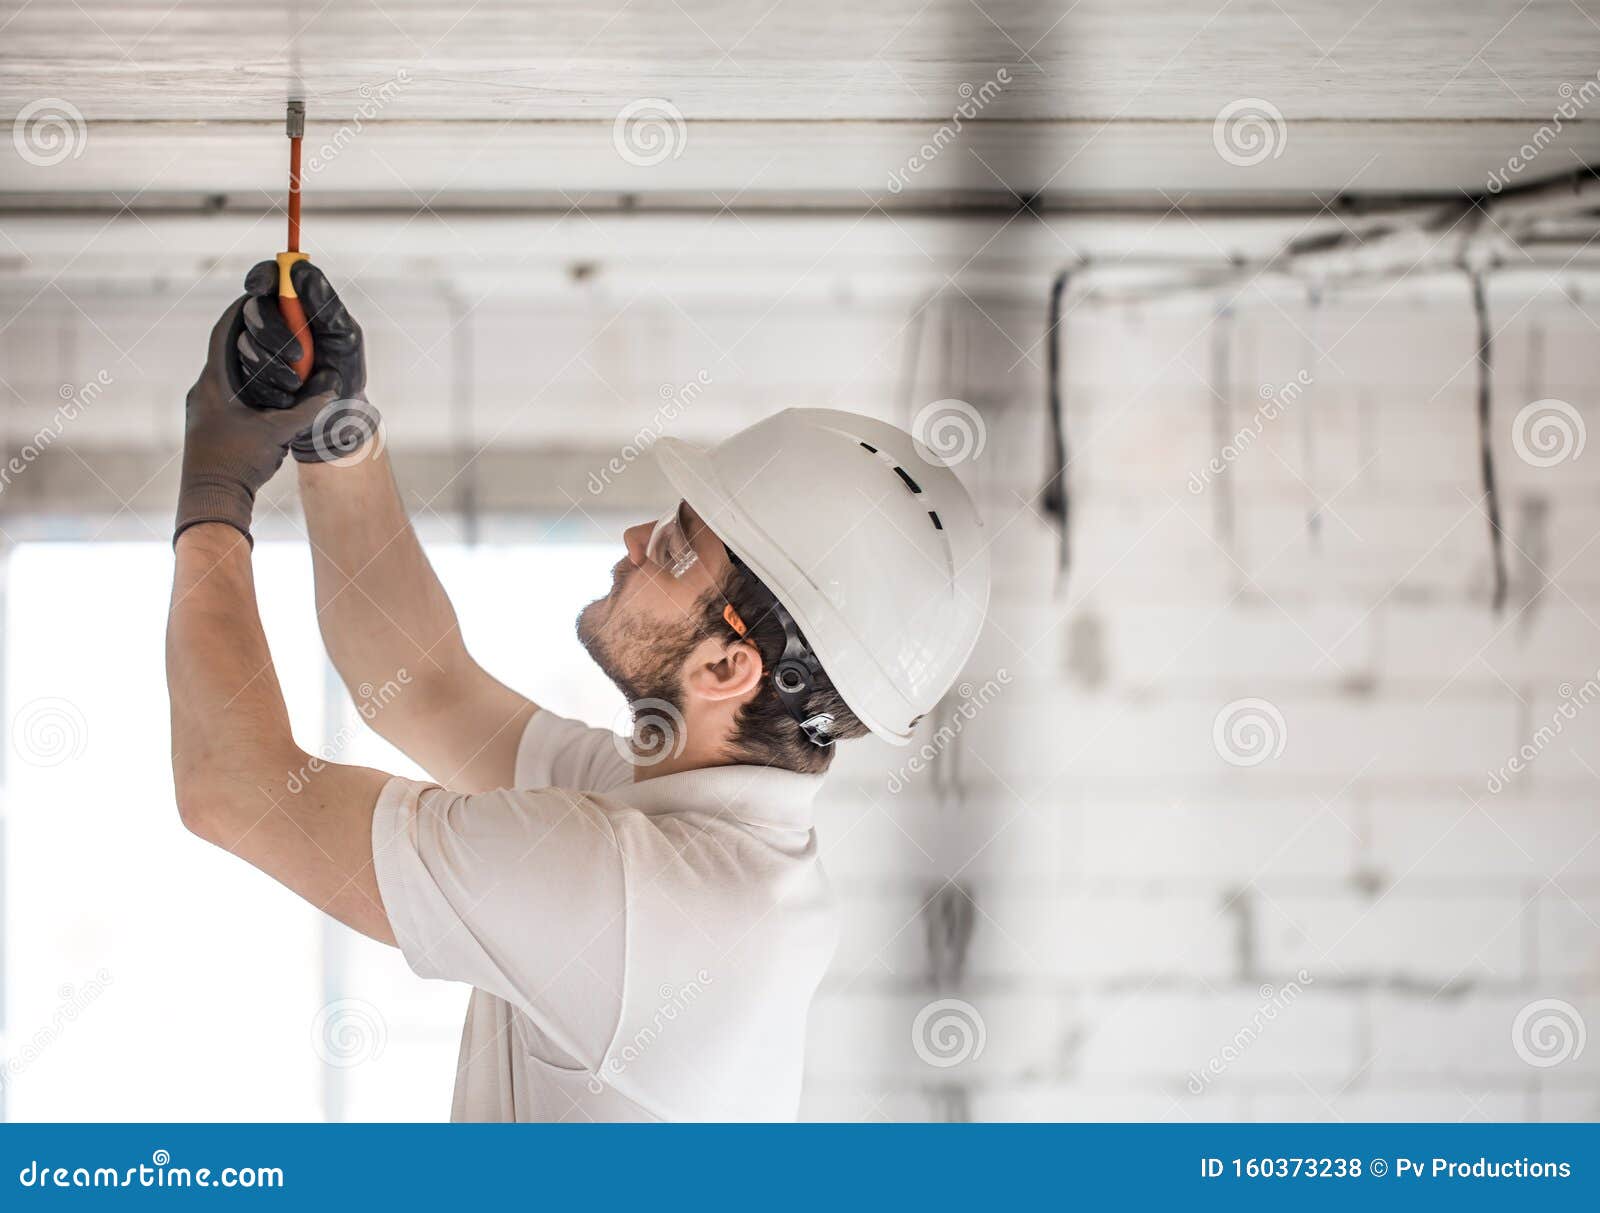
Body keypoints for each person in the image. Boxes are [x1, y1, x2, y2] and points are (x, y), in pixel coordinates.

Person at [165, 261, 990, 1121]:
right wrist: (334, 432)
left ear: (726, 668)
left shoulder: (643, 898)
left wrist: (213, 490)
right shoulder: (688, 828)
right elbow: (422, 687)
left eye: (674, 548)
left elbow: (232, 789)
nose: (635, 537)